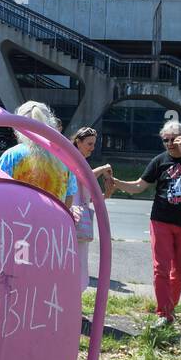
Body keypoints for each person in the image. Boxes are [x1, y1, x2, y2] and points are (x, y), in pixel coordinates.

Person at [110, 118, 181, 327]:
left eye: (174, 139)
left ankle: (169, 308)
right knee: (161, 269)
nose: (169, 143)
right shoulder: (159, 160)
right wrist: (118, 183)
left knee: (180, 274)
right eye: (166, 139)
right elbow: (139, 186)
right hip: (161, 221)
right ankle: (164, 314)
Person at [0, 101, 75, 204]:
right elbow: (69, 199)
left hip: (17, 219)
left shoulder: (11, 156)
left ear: (18, 127)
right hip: (54, 219)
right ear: (51, 123)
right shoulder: (65, 157)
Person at [68, 126, 114, 295]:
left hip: (80, 217)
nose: (92, 148)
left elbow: (88, 196)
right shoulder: (72, 160)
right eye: (89, 143)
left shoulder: (80, 162)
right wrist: (102, 169)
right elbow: (82, 176)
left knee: (80, 260)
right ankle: (73, 298)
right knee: (76, 260)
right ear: (78, 143)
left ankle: (76, 298)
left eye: (94, 144)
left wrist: (105, 194)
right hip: (74, 216)